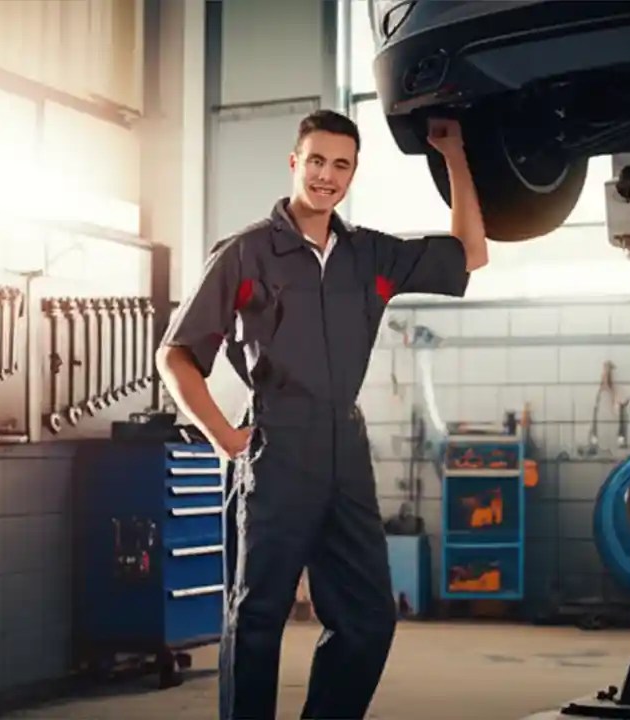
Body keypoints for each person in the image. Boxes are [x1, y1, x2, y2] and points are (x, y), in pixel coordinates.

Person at [156, 109, 487, 719]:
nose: (326, 175)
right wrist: (226, 437)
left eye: (341, 164)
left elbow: (470, 253)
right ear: (294, 163)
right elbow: (176, 355)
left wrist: (452, 156)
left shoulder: (369, 255)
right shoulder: (247, 253)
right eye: (316, 161)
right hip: (276, 445)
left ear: (353, 173)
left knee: (367, 621)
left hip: (345, 445)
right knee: (257, 620)